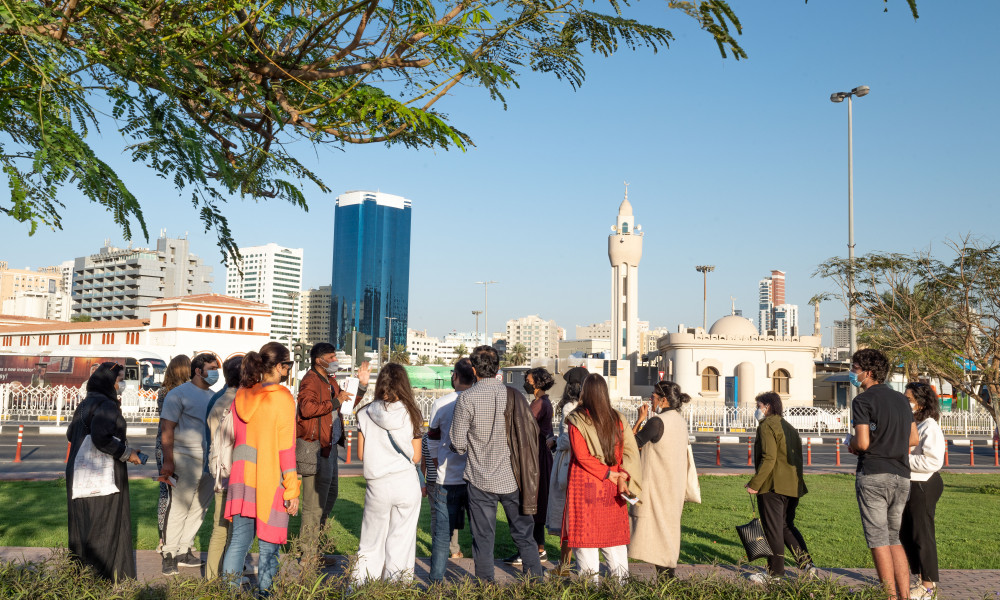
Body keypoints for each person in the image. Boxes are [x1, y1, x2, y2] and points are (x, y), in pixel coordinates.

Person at [450, 345, 544, 581]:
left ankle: (486, 586)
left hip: (479, 479)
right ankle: (536, 583)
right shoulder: (514, 395)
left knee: (483, 539)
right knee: (524, 534)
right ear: (498, 368)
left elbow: (458, 443)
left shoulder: (466, 399)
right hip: (512, 477)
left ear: (473, 369)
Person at [223, 342, 300, 594]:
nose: (288, 370)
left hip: (241, 477)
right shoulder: (283, 398)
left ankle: (228, 593)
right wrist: (292, 490)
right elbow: (286, 449)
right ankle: (266, 594)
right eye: (287, 365)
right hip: (270, 479)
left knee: (238, 541)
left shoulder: (242, 394)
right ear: (278, 366)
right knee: (269, 546)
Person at [848, 349, 919, 599]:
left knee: (878, 539)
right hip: (901, 476)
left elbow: (863, 442)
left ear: (868, 373)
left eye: (855, 368)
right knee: (894, 538)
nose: (852, 373)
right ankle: (904, 596)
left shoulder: (862, 401)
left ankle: (888, 596)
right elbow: (913, 438)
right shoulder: (901, 400)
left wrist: (852, 444)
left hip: (874, 474)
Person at [66, 362, 143, 580]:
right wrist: (126, 453)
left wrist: (126, 448)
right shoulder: (107, 405)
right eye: (119, 380)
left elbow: (71, 434)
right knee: (104, 525)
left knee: (83, 525)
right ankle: (100, 581)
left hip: (80, 474)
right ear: (109, 381)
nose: (121, 385)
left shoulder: (85, 404)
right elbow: (101, 438)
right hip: (103, 475)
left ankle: (80, 579)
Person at [562, 373, 640, 583]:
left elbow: (582, 456)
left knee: (586, 541)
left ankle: (590, 589)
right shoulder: (617, 418)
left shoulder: (577, 419)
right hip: (613, 486)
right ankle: (620, 588)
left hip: (585, 485)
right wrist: (621, 475)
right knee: (613, 541)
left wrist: (608, 474)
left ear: (584, 392)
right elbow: (630, 451)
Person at [352, 363, 423, 583]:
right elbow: (416, 457)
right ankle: (397, 588)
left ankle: (360, 588)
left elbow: (361, 454)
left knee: (370, 544)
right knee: (401, 543)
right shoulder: (412, 413)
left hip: (377, 484)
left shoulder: (364, 413)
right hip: (405, 482)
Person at [296, 343, 369, 549]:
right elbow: (307, 409)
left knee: (329, 496)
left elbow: (345, 404)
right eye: (331, 357)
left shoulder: (329, 380)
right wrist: (335, 402)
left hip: (330, 447)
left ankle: (315, 547)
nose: (335, 360)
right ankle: (307, 553)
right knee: (314, 504)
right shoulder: (310, 380)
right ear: (318, 360)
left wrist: (362, 386)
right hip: (315, 448)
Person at [744, 391, 816, 583]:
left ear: (767, 407)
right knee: (785, 526)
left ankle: (774, 574)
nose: (757, 410)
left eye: (758, 406)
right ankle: (807, 565)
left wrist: (755, 484)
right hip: (792, 486)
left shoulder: (767, 425)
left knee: (773, 529)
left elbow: (769, 458)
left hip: (773, 486)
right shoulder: (788, 427)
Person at [158, 352, 218, 575]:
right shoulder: (178, 394)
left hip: (209, 461)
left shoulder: (214, 397)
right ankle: (169, 554)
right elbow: (167, 429)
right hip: (184, 458)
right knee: (179, 507)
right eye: (212, 369)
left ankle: (184, 549)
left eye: (217, 369)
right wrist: (168, 462)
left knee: (200, 508)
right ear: (198, 371)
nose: (216, 373)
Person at [628, 380, 691, 578]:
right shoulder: (680, 421)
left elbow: (631, 444)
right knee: (667, 531)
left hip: (655, 485)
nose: (650, 399)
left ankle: (666, 579)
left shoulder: (657, 422)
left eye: (653, 396)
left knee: (653, 529)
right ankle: (667, 577)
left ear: (663, 400)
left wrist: (640, 419)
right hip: (673, 485)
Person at [426, 358, 475, 582]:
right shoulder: (478, 401)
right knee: (480, 533)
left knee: (442, 534)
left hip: (447, 477)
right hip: (475, 478)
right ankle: (483, 581)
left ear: (455, 376)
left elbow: (432, 439)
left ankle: (436, 580)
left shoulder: (441, 403)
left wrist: (438, 463)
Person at [504, 367, 555, 566]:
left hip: (536, 456)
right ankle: (537, 547)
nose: (526, 383)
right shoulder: (540, 402)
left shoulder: (539, 404)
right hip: (538, 454)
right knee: (536, 502)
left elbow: (524, 425)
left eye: (529, 380)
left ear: (537, 383)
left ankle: (533, 549)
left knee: (533, 501)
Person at [899, 382, 945, 600]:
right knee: (907, 533)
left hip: (924, 484)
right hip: (910, 484)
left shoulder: (929, 426)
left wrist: (901, 460)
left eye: (909, 399)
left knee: (922, 534)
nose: (905, 402)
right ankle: (920, 580)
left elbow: (933, 461)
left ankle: (929, 587)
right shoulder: (914, 424)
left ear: (921, 402)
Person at [203, 355, 242, 580]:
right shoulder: (240, 402)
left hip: (220, 471)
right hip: (237, 471)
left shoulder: (218, 401)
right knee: (237, 530)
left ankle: (212, 577)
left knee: (220, 527)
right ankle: (230, 577)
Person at [546, 365, 587, 575]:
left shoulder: (570, 407)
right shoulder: (590, 406)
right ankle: (573, 565)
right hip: (585, 463)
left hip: (568, 461)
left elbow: (568, 438)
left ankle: (564, 565)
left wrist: (555, 441)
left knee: (567, 516)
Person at [154, 354, 191, 556]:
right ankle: (167, 539)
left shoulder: (163, 391)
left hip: (163, 444)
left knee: (168, 493)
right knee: (171, 493)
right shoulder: (178, 393)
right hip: (173, 445)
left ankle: (168, 538)